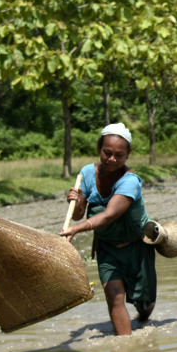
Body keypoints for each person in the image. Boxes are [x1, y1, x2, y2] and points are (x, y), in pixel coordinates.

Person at [61, 122, 157, 336]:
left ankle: (142, 317)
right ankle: (125, 350)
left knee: (145, 303)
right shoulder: (86, 173)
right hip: (107, 248)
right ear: (99, 149)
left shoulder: (130, 181)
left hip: (137, 247)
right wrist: (75, 202)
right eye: (107, 153)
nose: (112, 159)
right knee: (114, 295)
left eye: (119, 155)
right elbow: (79, 213)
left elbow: (109, 214)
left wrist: (77, 229)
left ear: (128, 155)